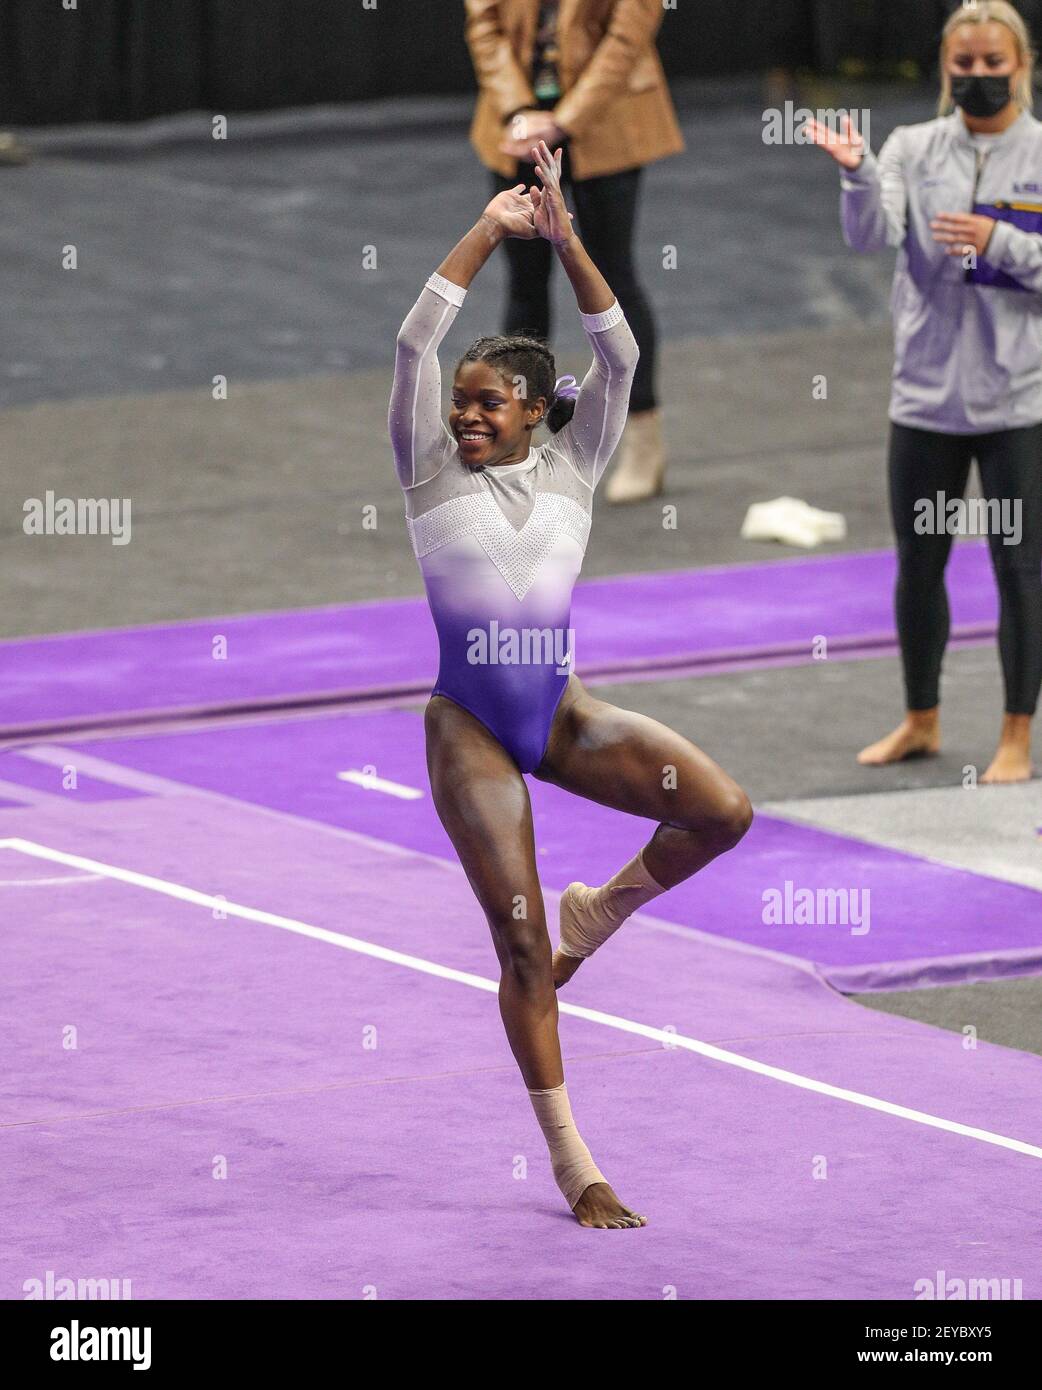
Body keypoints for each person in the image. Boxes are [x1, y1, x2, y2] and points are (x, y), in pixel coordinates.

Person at [387, 141, 752, 1228]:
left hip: (558, 710)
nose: (465, 416)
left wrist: (566, 235)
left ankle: (600, 912)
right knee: (514, 937)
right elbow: (415, 338)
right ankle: (573, 1163)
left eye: (489, 402)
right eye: (461, 401)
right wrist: (493, 228)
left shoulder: (576, 465)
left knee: (722, 814)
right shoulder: (424, 471)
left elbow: (619, 346)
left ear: (542, 411)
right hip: (472, 730)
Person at [808, 0, 1042, 783]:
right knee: (919, 563)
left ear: (1023, 66)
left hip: (1017, 403)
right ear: (947, 70)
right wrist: (857, 173)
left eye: (993, 64)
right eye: (964, 65)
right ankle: (920, 718)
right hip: (925, 400)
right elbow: (872, 235)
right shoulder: (910, 145)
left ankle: (1016, 733)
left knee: (1021, 567)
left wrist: (1000, 242)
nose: (978, 76)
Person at [463, 0, 685, 502]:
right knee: (524, 287)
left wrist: (563, 120)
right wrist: (520, 111)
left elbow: (626, 40)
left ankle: (644, 438)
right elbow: (485, 25)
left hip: (609, 120)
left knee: (613, 281)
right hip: (514, 127)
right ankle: (514, 444)